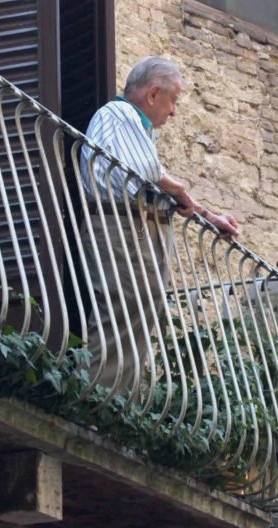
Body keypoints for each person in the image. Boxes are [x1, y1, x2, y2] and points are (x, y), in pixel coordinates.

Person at [78, 56, 238, 394]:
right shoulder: (117, 115)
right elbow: (143, 172)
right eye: (173, 100)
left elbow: (154, 187)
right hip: (121, 226)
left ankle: (120, 403)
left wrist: (206, 215)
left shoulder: (137, 129)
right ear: (153, 94)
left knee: (138, 317)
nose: (174, 111)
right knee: (121, 314)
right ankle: (93, 401)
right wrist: (180, 190)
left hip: (136, 227)